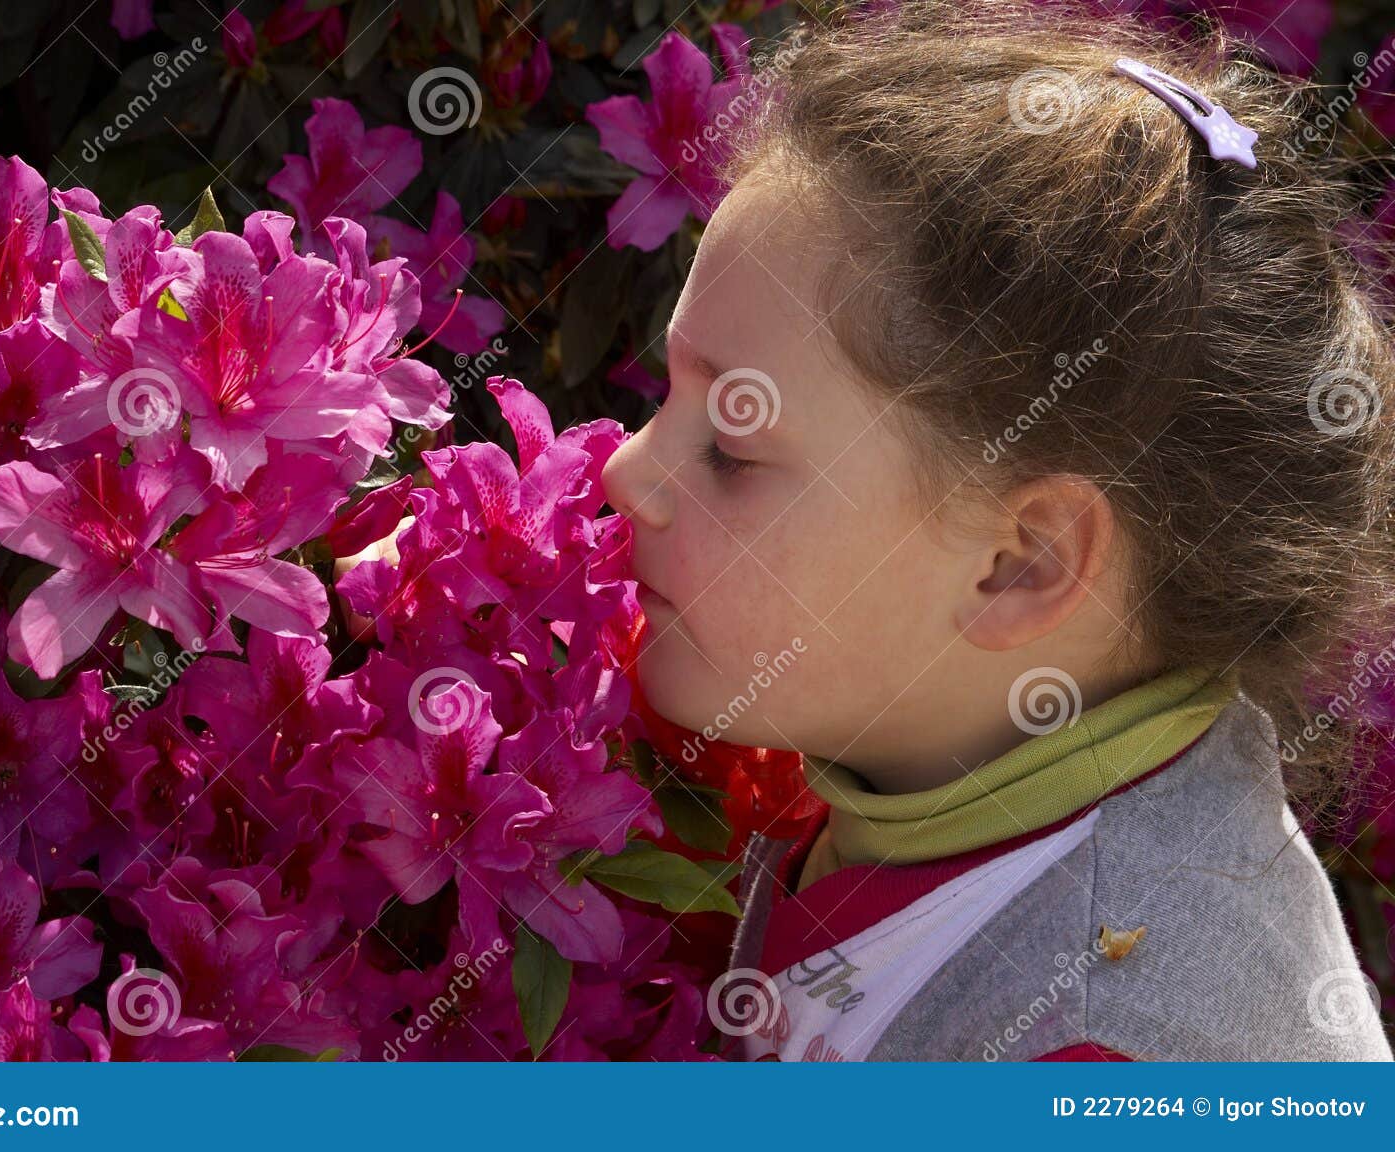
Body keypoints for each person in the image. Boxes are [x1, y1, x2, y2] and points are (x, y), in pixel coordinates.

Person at [597, 0, 1395, 1061]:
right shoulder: (926, 741)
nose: (622, 471)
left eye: (734, 451)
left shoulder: (1104, 1051)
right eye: (672, 394)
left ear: (1023, 564)